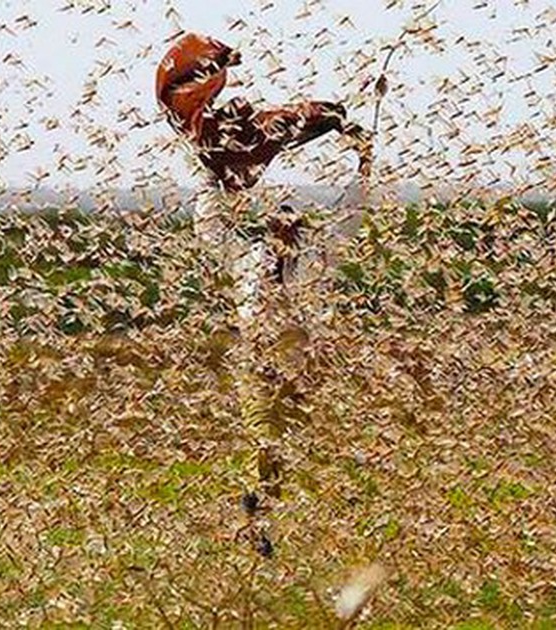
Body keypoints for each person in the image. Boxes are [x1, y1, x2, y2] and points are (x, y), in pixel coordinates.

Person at [155, 32, 373, 509]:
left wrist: (364, 162)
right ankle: (258, 506)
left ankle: (265, 507)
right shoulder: (246, 256)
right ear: (271, 228)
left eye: (291, 221)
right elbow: (207, 218)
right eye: (281, 220)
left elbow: (351, 213)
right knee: (264, 433)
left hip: (304, 359)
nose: (285, 225)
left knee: (287, 438)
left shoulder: (315, 256)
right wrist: (202, 170)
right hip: (259, 356)